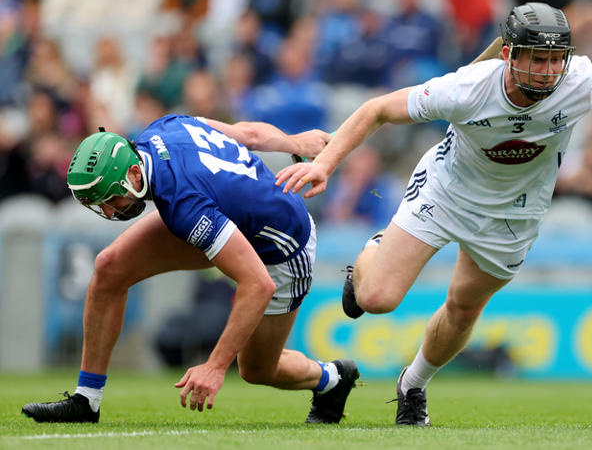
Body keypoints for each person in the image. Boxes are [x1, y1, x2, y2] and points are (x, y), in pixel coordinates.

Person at [275, 2, 592, 426]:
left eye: (556, 59)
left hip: (516, 213)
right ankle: (378, 246)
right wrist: (324, 164)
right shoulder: (467, 88)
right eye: (537, 57)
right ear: (508, 55)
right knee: (375, 299)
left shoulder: (580, 80)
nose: (548, 70)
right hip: (445, 193)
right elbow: (377, 110)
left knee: (463, 309)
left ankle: (413, 385)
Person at [21, 114, 359, 424]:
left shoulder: (184, 203)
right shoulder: (164, 127)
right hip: (229, 212)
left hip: (282, 247)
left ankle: (331, 378)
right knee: (110, 267)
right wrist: (295, 143)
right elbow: (248, 133)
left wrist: (215, 366)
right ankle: (86, 401)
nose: (110, 213)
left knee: (257, 369)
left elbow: (258, 284)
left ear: (134, 174)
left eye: (111, 200)